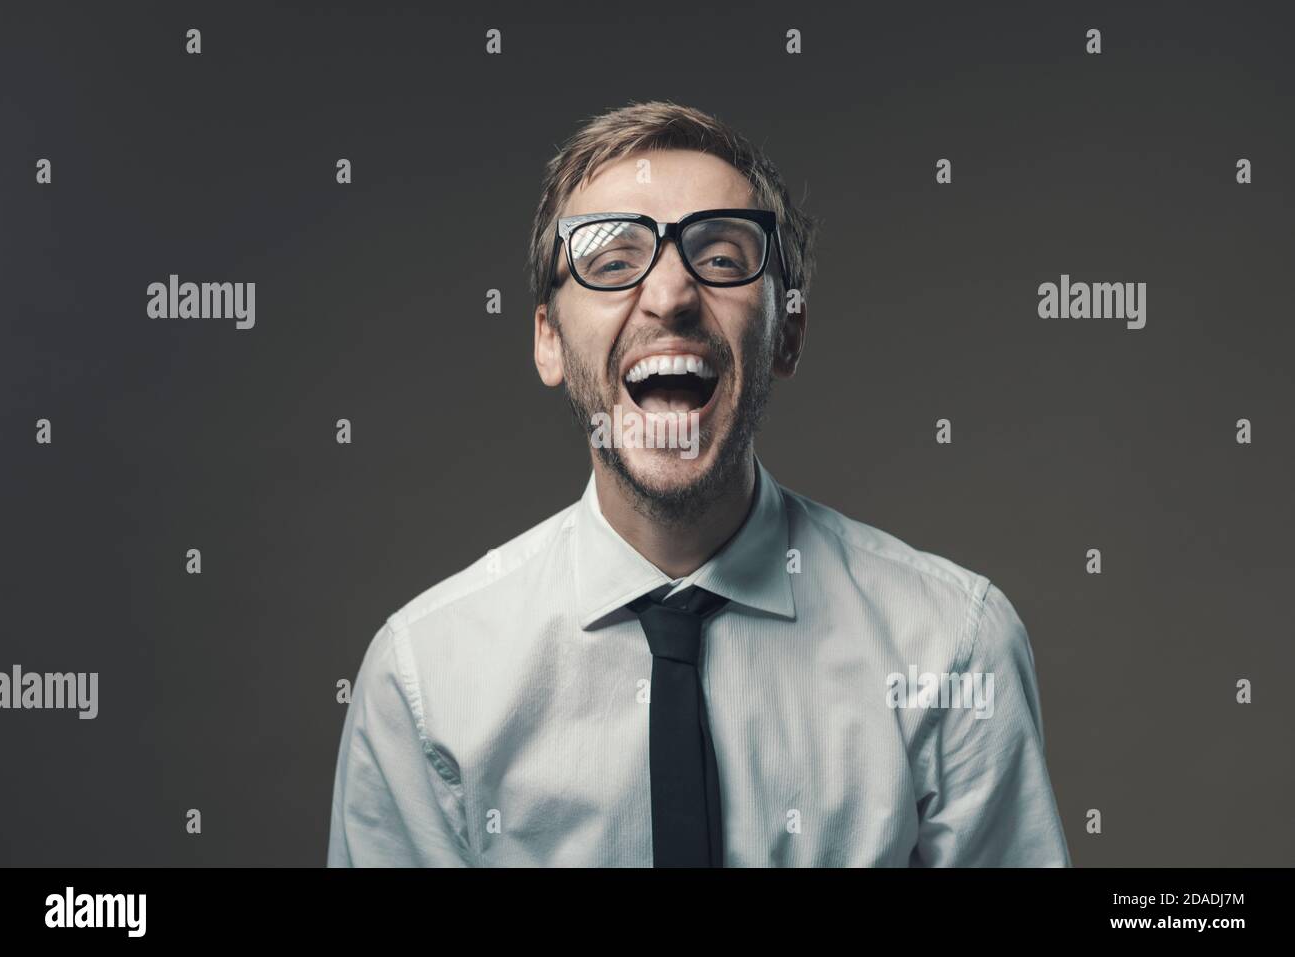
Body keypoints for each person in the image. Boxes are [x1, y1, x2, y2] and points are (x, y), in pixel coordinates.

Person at [326, 100, 1071, 867]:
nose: (671, 294)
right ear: (548, 340)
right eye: (613, 261)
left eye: (719, 257)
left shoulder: (951, 646)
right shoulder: (424, 679)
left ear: (788, 332)